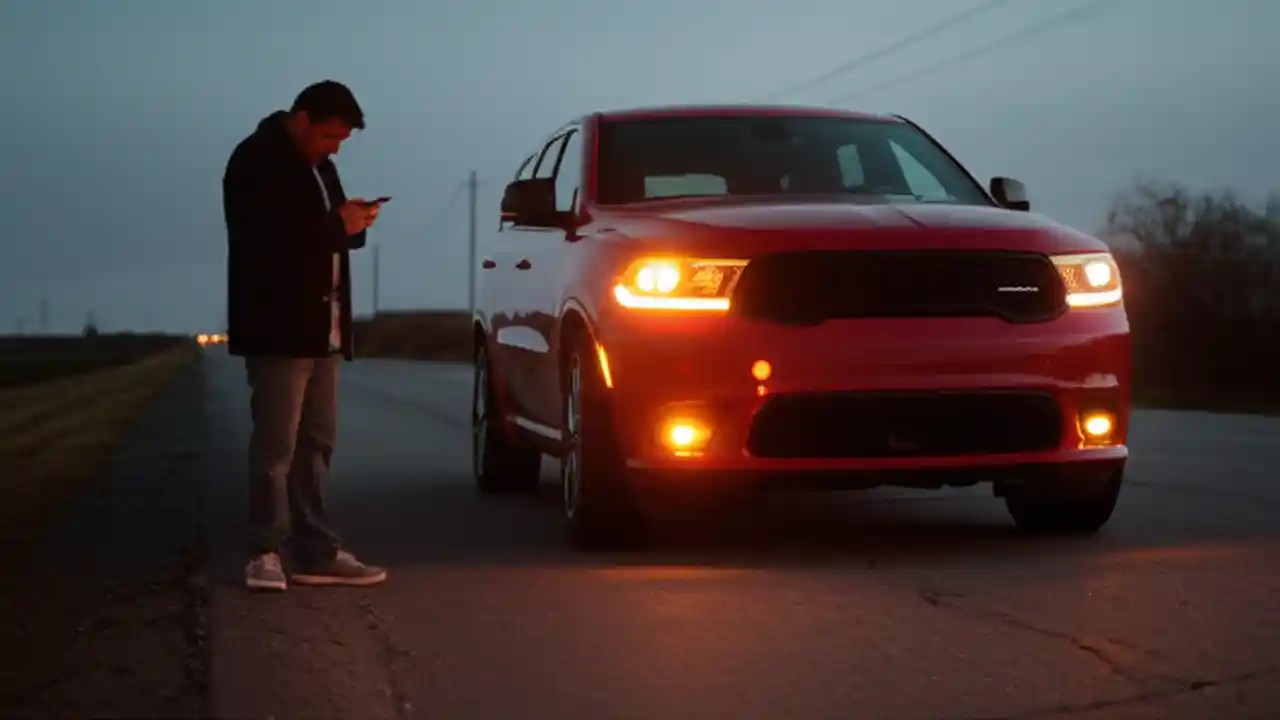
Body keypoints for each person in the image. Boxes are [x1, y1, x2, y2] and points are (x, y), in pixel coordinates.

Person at [222, 80, 387, 591]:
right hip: (279, 327)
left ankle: (317, 550)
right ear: (302, 120)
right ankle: (264, 552)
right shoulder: (256, 160)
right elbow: (264, 240)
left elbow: (327, 234)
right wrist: (336, 224)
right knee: (276, 446)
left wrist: (354, 222)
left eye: (341, 141)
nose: (334, 148)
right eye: (330, 136)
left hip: (322, 328)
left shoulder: (320, 167)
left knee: (316, 445)